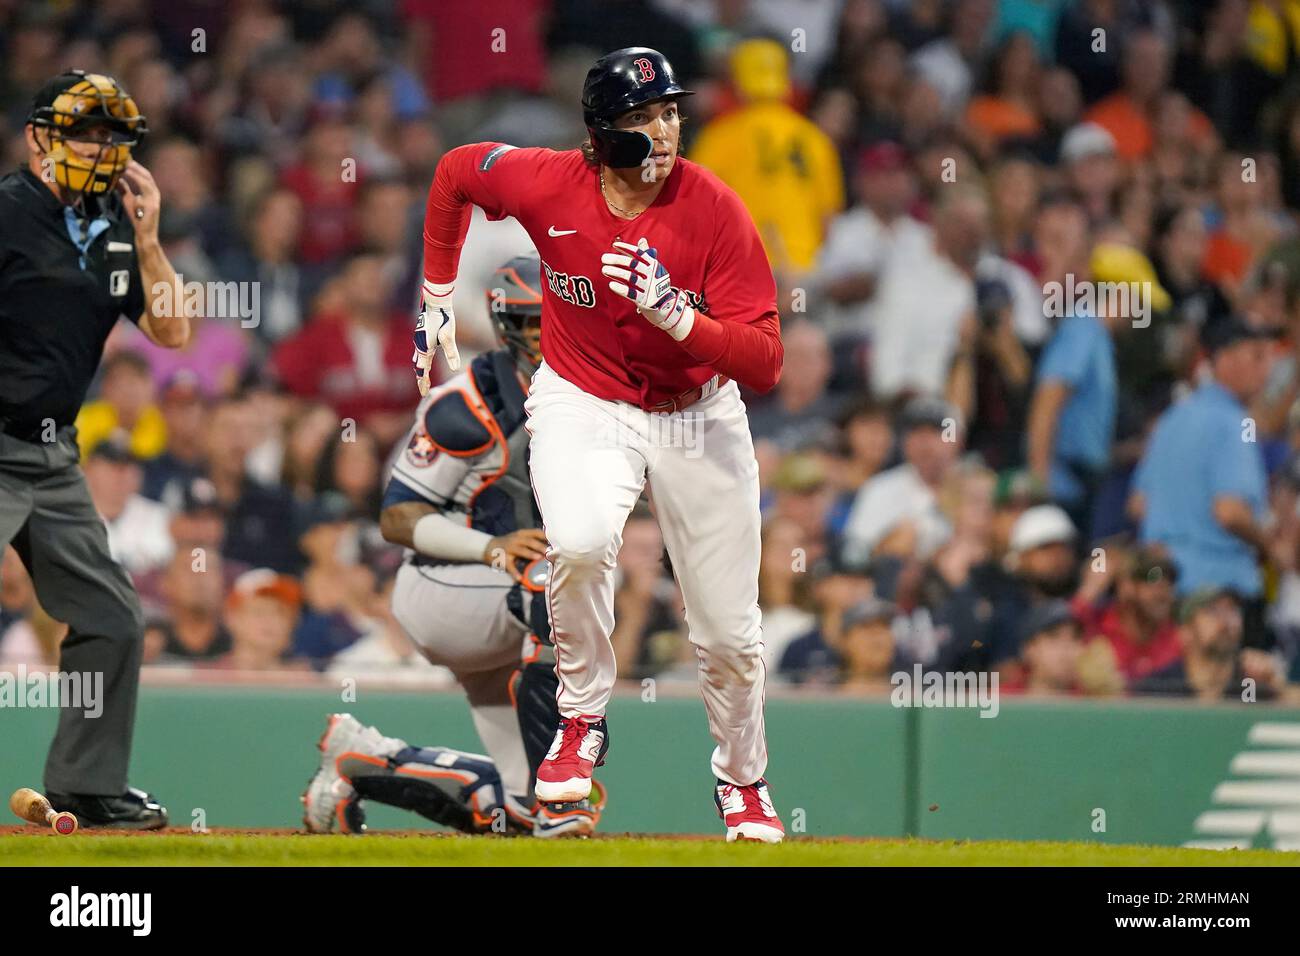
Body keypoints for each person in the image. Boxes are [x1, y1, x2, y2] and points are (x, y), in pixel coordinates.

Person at [413, 48, 785, 842]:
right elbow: (453, 173)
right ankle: (580, 718)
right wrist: (437, 298)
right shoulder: (548, 181)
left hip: (698, 410)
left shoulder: (713, 206)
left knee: (727, 635)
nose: (664, 130)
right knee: (578, 545)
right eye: (643, 119)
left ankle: (744, 783)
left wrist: (679, 317)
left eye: (671, 112)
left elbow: (766, 359)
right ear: (597, 137)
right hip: (585, 396)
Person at [303, 255, 604, 839]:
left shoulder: (594, 394)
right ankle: (559, 791)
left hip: (512, 598)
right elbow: (397, 516)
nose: (555, 333)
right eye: (540, 320)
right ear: (510, 327)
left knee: (514, 814)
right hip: (445, 585)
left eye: (565, 318)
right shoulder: (469, 401)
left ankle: (361, 761)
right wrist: (492, 548)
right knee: (555, 586)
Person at [0, 70, 189, 829]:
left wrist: (147, 238)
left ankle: (85, 786)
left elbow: (173, 330)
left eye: (114, 137)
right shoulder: (7, 214)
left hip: (51, 459)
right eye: (85, 132)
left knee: (112, 617)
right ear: (39, 138)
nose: (101, 149)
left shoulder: (117, 225)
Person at [1130, 318, 1276, 648]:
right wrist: (1271, 547)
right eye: (1257, 356)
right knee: (1239, 695)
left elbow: (1138, 505)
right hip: (1221, 597)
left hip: (1166, 590)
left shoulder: (1171, 418)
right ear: (1223, 359)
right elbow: (1230, 512)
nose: (1267, 368)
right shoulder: (1234, 422)